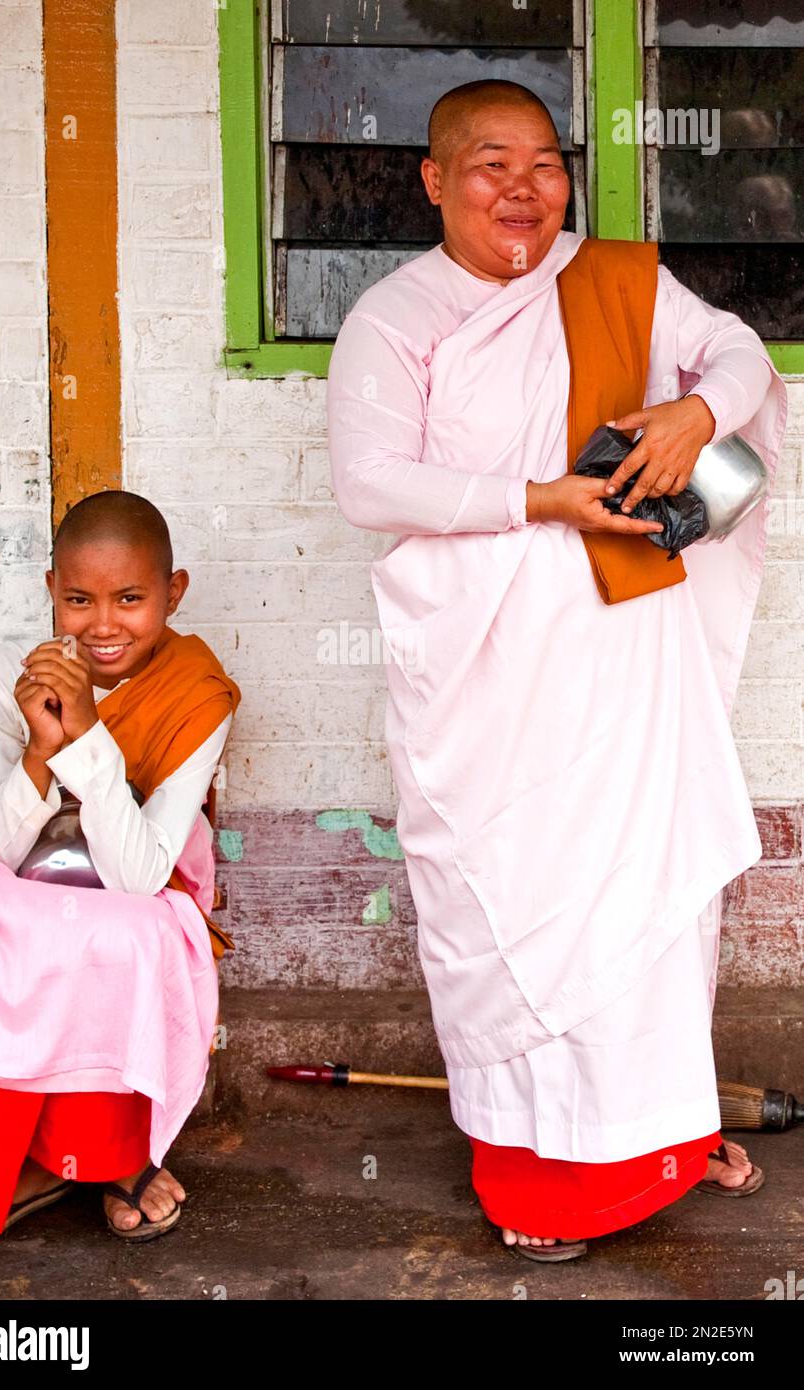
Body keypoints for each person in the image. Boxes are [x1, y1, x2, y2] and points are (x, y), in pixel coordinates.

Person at [326, 80, 788, 1261]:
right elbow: (370, 482)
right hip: (483, 679)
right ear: (432, 179)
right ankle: (541, 1173)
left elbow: (736, 353)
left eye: (543, 162)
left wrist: (693, 414)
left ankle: (661, 1132)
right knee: (511, 906)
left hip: (626, 649)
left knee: (644, 898)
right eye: (489, 164)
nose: (523, 189)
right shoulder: (395, 315)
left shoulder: (610, 276)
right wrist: (538, 497)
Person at [0, 491, 240, 1258]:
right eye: (79, 600)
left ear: (173, 594)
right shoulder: (6, 676)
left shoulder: (198, 692)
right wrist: (39, 752)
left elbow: (141, 875)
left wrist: (87, 738)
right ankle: (19, 1162)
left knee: (124, 935)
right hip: (33, 883)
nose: (103, 626)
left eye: (130, 599)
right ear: (50, 592)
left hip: (140, 890)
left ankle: (100, 1157)